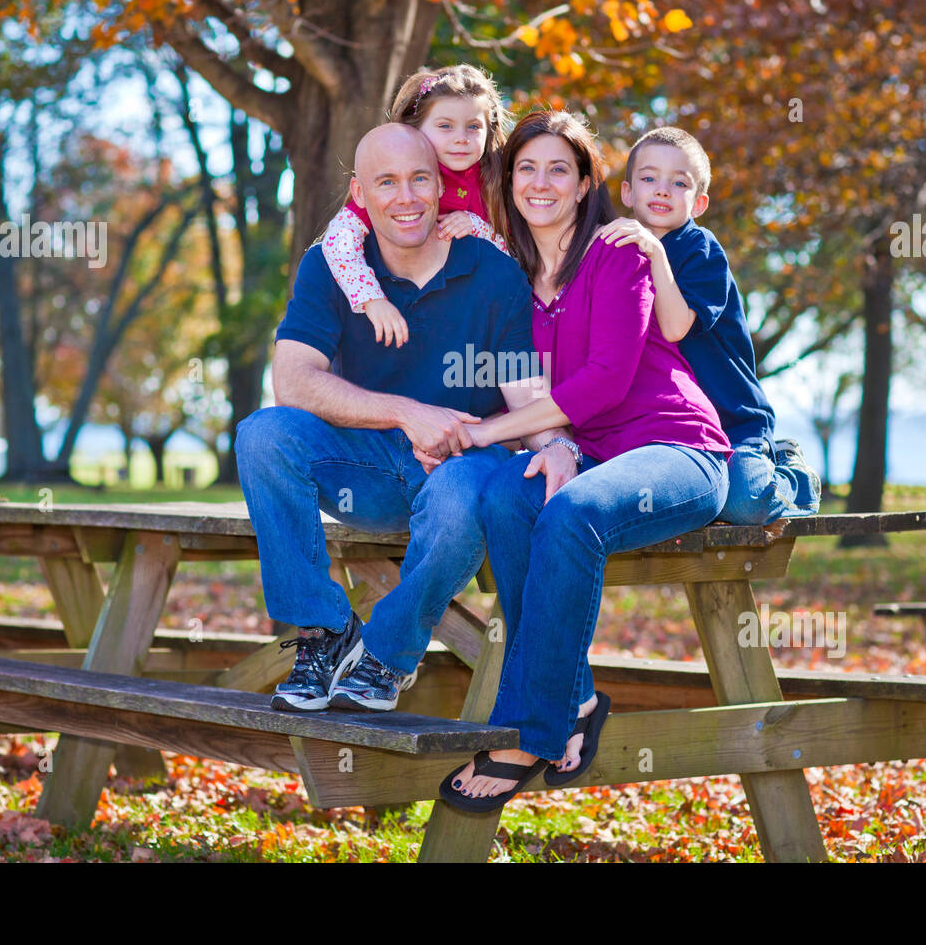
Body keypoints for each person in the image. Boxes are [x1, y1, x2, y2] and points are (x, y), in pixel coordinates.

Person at [435, 110, 733, 812]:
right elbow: (521, 378)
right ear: (507, 183)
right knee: (508, 496)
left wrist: (485, 433)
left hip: (676, 449)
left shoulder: (617, 251)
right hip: (588, 450)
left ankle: (527, 733)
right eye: (526, 168)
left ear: (583, 184)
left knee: (571, 512)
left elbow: (603, 378)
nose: (541, 183)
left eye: (558, 169)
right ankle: (576, 699)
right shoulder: (504, 282)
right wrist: (551, 444)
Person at [235, 123, 576, 714]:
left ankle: (387, 655)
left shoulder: (494, 273)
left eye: (420, 179)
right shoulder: (333, 267)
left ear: (442, 184)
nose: (406, 197)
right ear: (359, 193)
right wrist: (407, 413)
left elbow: (523, 387)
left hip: (463, 462)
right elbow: (291, 380)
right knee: (262, 435)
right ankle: (322, 633)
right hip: (359, 463)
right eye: (386, 182)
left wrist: (558, 444)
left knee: (463, 495)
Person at [601, 126, 821, 526]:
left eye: (679, 182)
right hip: (669, 428)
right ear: (628, 193)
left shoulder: (700, 249)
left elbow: (675, 327)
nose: (662, 190)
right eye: (649, 178)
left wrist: (654, 253)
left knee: (746, 503)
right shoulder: (616, 252)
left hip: (731, 420)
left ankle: (792, 474)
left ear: (699, 202)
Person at [320, 64, 512, 349]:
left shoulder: (493, 182)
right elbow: (338, 239)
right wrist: (371, 299)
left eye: (473, 127)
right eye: (445, 126)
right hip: (398, 321)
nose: (461, 138)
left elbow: (515, 264)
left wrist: (480, 228)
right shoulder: (392, 183)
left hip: (472, 331)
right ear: (414, 129)